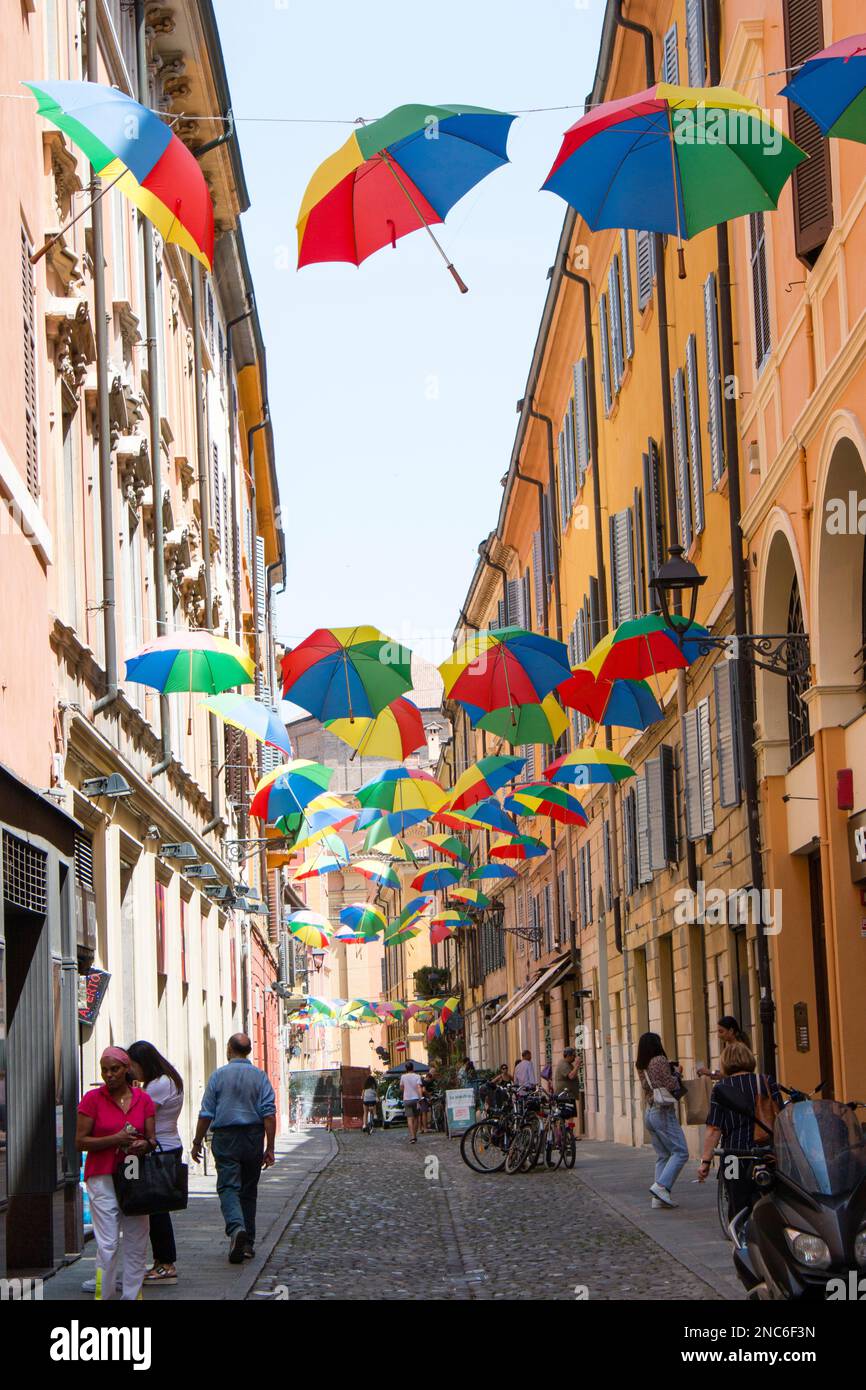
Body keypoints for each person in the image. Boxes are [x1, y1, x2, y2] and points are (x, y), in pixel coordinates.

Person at [76, 1047, 156, 1300]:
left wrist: (144, 1144)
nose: (109, 1075)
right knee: (108, 1243)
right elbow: (80, 1141)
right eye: (104, 1070)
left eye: (114, 1069)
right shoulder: (92, 1099)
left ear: (126, 1069)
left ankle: (132, 1296)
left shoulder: (143, 1099)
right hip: (102, 1174)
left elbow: (153, 1139)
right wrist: (115, 1139)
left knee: (136, 1240)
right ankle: (105, 1295)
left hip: (132, 1170)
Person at [191, 1033, 276, 1263]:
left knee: (228, 1187)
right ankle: (247, 1244)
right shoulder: (260, 1077)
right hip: (253, 1137)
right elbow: (269, 1113)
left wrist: (197, 1141)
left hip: (226, 1137)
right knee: (249, 1191)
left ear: (229, 1049)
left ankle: (237, 1228)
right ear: (248, 1051)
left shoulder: (218, 1076)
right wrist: (270, 1147)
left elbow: (206, 1113)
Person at [698, 1042, 782, 1219]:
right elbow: (781, 1115)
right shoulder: (766, 1081)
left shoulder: (720, 1089)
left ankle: (739, 1235)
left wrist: (705, 1161)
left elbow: (714, 1128)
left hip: (733, 1155)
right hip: (766, 1151)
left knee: (736, 1199)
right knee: (772, 1194)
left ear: (725, 1063)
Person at [126, 1040, 184, 1287]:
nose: (132, 1071)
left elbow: (137, 1112)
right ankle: (162, 1261)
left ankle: (165, 1263)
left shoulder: (159, 1085)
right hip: (167, 1146)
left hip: (160, 1150)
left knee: (157, 1210)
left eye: (133, 1066)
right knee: (157, 1208)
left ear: (143, 1063)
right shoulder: (167, 1079)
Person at [636, 1032, 688, 1209]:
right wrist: (678, 1074)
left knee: (663, 1156)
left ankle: (658, 1199)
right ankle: (661, 1187)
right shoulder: (659, 1060)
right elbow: (669, 1084)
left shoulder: (641, 1065)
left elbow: (650, 1084)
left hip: (650, 1111)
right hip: (662, 1112)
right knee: (681, 1152)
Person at [399, 1061, 424, 1144]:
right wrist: (420, 1097)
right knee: (416, 1117)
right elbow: (419, 1087)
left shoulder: (403, 1077)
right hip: (416, 1099)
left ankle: (412, 1136)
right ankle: (415, 1135)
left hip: (407, 1099)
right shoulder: (417, 1076)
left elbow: (401, 1088)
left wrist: (405, 1091)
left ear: (406, 1069)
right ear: (413, 1068)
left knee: (410, 1118)